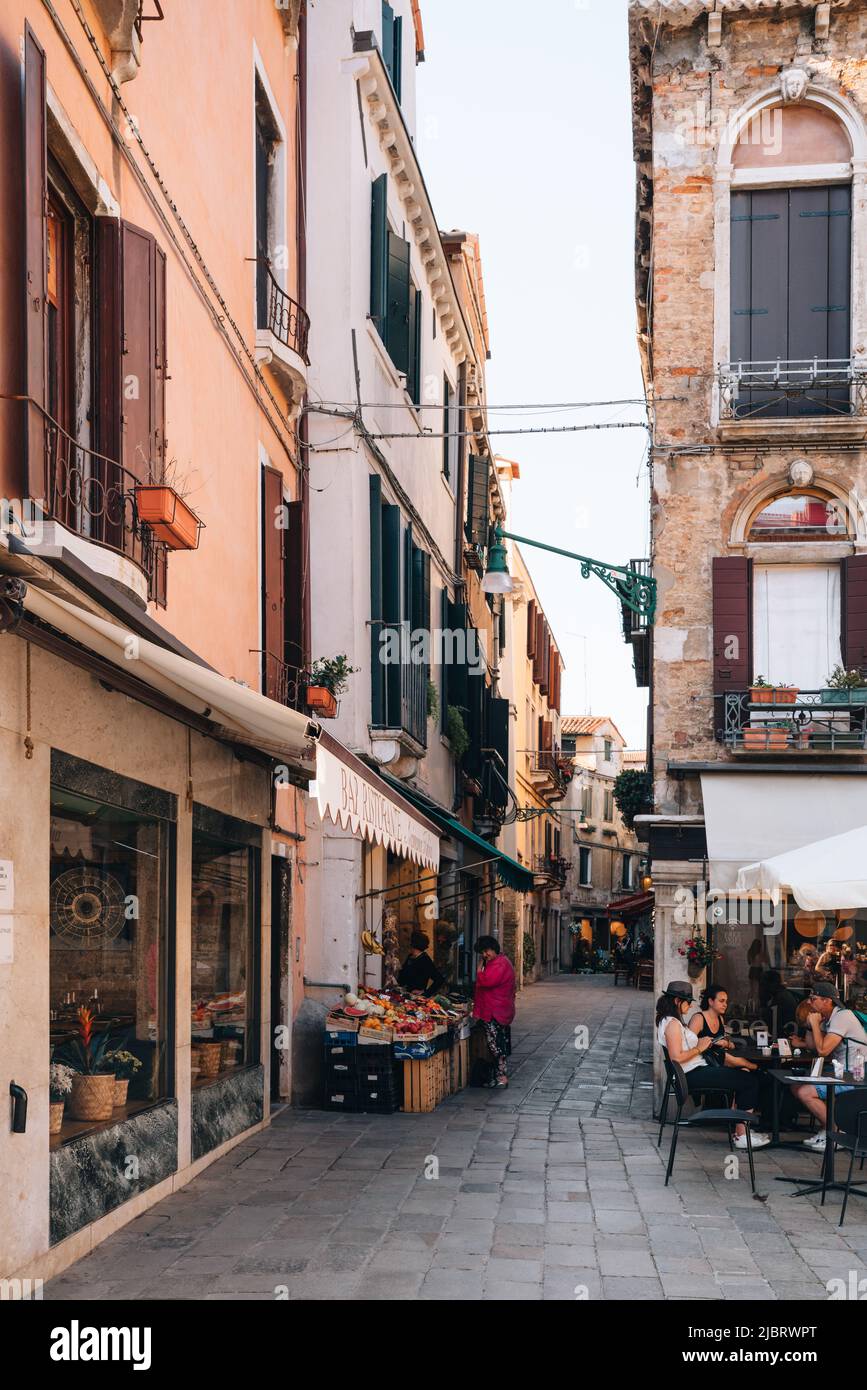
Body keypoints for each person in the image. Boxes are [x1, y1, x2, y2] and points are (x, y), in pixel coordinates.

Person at [656, 980, 770, 1149]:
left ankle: (741, 1132)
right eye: (688, 1002)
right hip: (692, 1074)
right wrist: (699, 1047)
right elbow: (676, 1057)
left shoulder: (673, 1022)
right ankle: (741, 1135)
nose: (689, 1006)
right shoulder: (672, 1024)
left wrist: (702, 1044)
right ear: (677, 1001)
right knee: (749, 1081)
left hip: (697, 1070)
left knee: (746, 1077)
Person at [790, 983, 867, 1151]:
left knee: (805, 1092)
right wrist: (811, 1026)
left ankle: (837, 1134)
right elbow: (812, 1047)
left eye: (813, 999)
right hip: (841, 1072)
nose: (810, 1002)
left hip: (857, 1075)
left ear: (827, 1001)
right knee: (796, 1087)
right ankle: (827, 1129)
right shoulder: (829, 1018)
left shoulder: (842, 1016)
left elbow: (823, 1050)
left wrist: (816, 1025)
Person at [472, 935, 516, 1088]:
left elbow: (488, 981)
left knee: (496, 1044)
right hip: (496, 1009)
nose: (484, 955)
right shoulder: (498, 962)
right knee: (497, 1042)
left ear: (493, 948)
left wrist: (479, 971)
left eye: (486, 951)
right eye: (482, 953)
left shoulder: (500, 964)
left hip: (495, 1011)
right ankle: (499, 1076)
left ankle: (502, 1077)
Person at [691, 984, 762, 1078]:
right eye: (721, 1001)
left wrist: (727, 1043)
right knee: (744, 1068)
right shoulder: (698, 1018)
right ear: (711, 1001)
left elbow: (724, 1042)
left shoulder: (720, 1019)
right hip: (705, 1064)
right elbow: (688, 1044)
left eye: (726, 1001)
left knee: (745, 1071)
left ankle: (757, 1070)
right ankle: (759, 1069)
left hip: (719, 1061)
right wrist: (713, 1043)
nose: (725, 1004)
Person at [397, 931, 445, 998]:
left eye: (410, 941)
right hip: (404, 995)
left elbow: (439, 979)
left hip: (416, 998)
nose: (409, 944)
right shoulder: (410, 956)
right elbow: (403, 976)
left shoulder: (425, 960)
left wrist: (425, 993)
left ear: (413, 944)